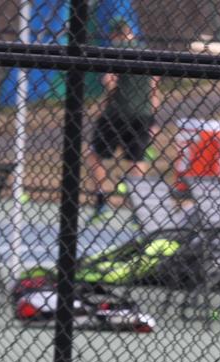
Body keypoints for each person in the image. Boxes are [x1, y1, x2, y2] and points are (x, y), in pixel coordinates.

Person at [87, 20, 160, 220]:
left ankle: (101, 199)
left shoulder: (115, 50)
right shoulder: (147, 52)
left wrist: (108, 97)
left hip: (117, 113)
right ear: (131, 34)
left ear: (114, 36)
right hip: (143, 114)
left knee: (94, 155)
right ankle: (139, 207)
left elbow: (109, 81)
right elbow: (154, 86)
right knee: (137, 160)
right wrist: (153, 119)